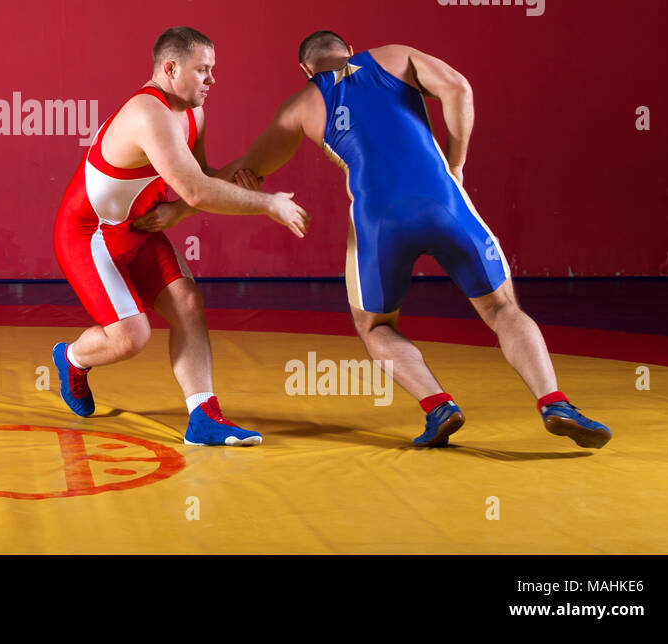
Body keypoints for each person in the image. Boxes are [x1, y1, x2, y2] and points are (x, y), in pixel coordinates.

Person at [135, 32, 611, 449]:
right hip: (444, 201)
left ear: (305, 69)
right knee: (502, 309)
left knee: (375, 325)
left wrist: (179, 208)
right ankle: (554, 402)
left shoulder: (303, 105)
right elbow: (460, 88)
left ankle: (439, 405)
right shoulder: (394, 56)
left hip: (379, 219)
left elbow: (245, 174)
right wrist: (457, 165)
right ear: (350, 49)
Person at [52, 26, 309, 446]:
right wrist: (269, 204)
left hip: (139, 228)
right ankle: (72, 358)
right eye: (203, 70)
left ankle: (203, 417)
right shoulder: (146, 113)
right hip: (90, 236)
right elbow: (196, 192)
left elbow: (200, 178)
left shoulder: (192, 112)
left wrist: (242, 175)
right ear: (170, 68)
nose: (212, 80)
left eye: (213, 70)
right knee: (132, 337)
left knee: (189, 302)